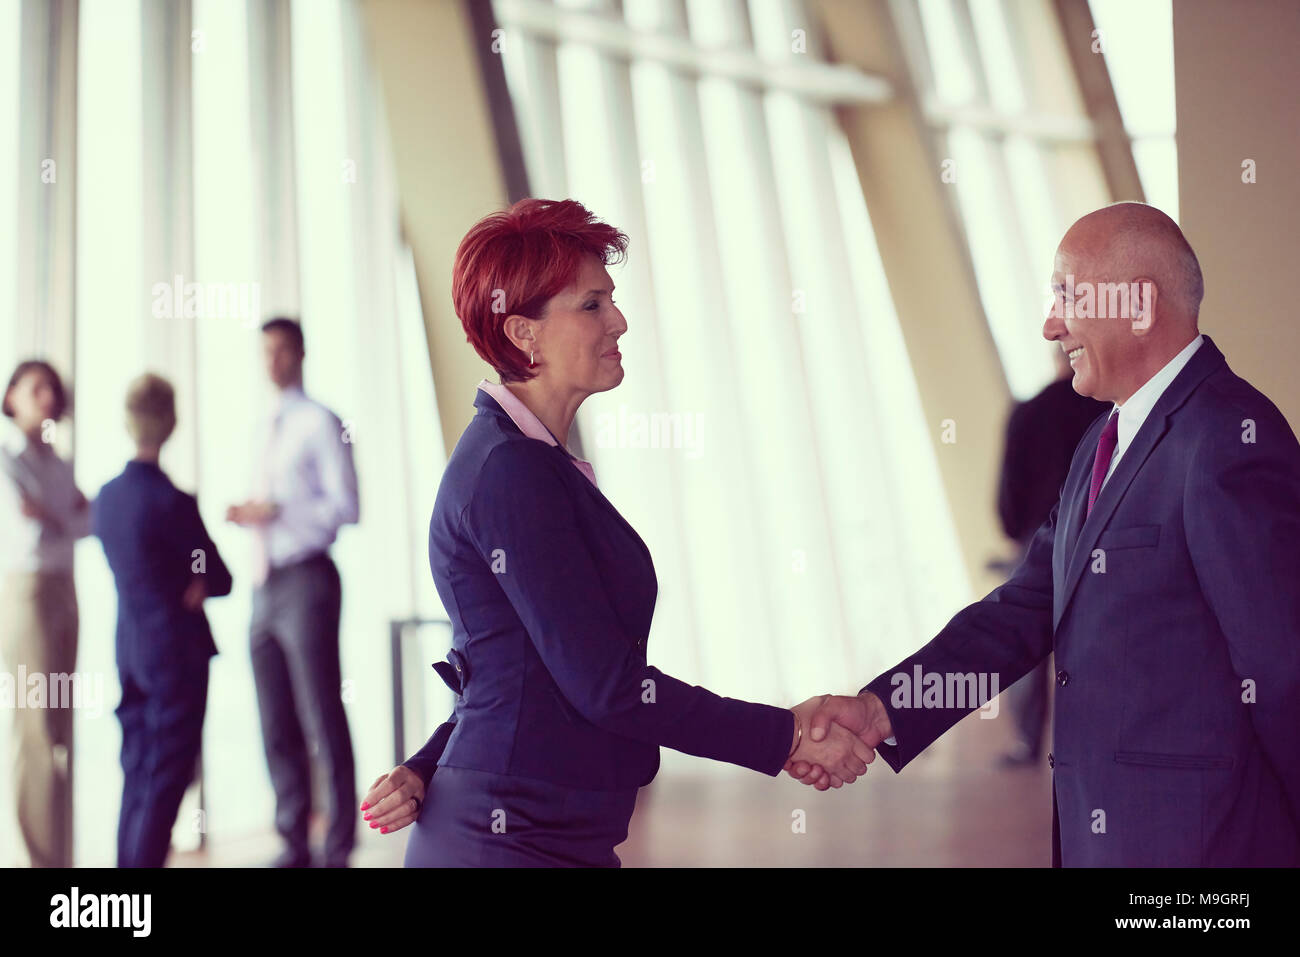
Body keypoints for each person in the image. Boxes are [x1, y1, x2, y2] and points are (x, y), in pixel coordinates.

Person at [358, 198, 872, 867]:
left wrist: (427, 762)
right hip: (510, 837)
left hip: (540, 827)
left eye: (612, 300)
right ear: (523, 332)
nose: (619, 321)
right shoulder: (510, 470)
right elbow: (605, 683)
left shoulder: (526, 459)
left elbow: (508, 662)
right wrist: (785, 734)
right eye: (592, 304)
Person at [788, 202, 1300, 867]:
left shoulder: (1228, 438)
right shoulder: (1102, 441)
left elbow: (1284, 669)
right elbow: (1023, 608)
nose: (1050, 324)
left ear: (1139, 305)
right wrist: (883, 708)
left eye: (1067, 296)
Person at [227, 317, 359, 868]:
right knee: (274, 717)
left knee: (320, 711)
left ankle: (338, 842)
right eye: (265, 351)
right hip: (265, 583)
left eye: (281, 350)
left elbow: (346, 507)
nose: (273, 361)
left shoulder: (321, 422)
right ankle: (293, 840)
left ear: (301, 353)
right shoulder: (263, 427)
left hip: (308, 578)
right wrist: (252, 513)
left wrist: (279, 511)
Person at [93, 373, 232, 867]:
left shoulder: (106, 499)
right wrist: (196, 580)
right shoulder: (173, 502)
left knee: (136, 769)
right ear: (171, 422)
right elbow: (219, 576)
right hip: (176, 652)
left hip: (130, 650)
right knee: (167, 774)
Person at [994, 348, 1107, 766]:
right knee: (1096, 635)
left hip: (1038, 536)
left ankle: (1028, 742)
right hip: (1099, 534)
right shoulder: (1104, 413)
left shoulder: (1030, 412)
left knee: (1025, 632)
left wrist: (1015, 530)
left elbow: (1010, 485)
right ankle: (1095, 740)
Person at [0, 359, 91, 867]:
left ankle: (62, 861)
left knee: (60, 729)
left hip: (64, 591)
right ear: (11, 396)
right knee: (34, 729)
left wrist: (51, 515)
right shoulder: (5, 457)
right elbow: (31, 528)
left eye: (53, 390)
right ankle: (39, 863)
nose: (48, 399)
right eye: (37, 389)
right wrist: (61, 518)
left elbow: (86, 524)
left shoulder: (58, 464)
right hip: (27, 593)